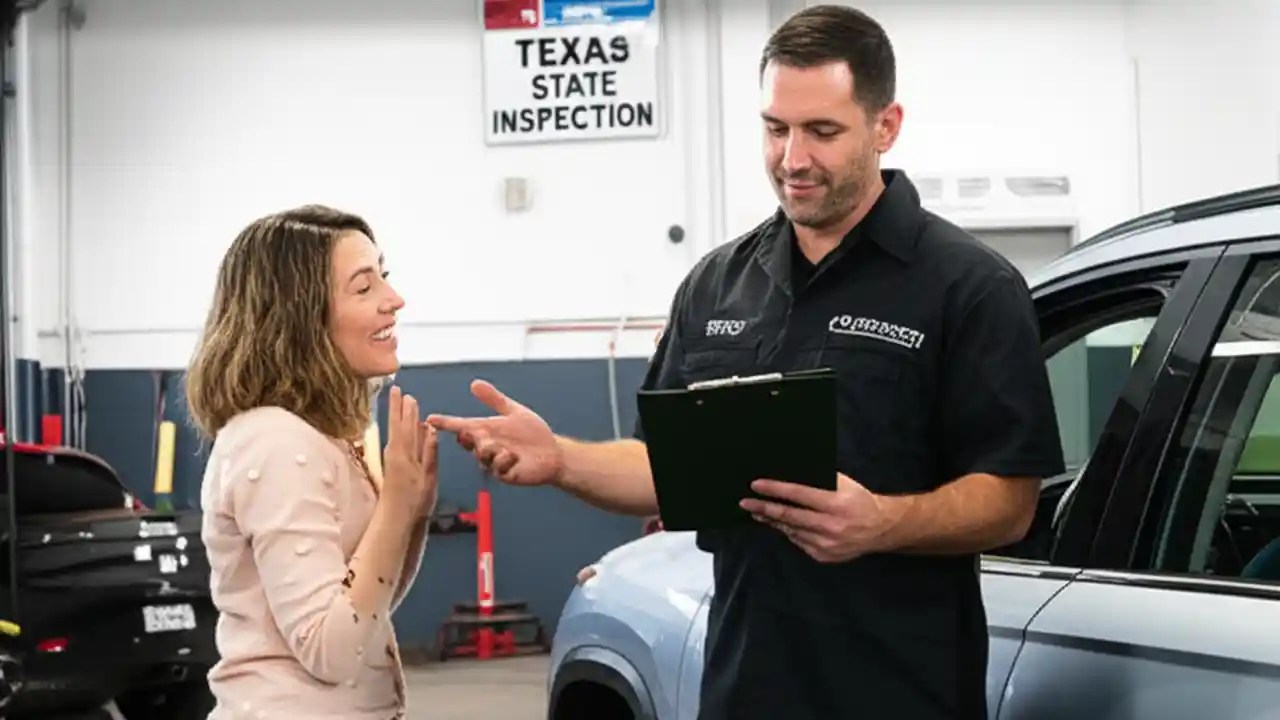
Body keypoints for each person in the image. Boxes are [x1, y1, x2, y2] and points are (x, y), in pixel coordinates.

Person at [428, 5, 1065, 719]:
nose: (792, 159)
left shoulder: (967, 286)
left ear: (886, 126)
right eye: (775, 128)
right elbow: (667, 472)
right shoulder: (717, 283)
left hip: (903, 693)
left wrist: (885, 520)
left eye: (823, 132)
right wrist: (561, 459)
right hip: (743, 690)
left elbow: (1010, 499)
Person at [187, 205, 437, 719]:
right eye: (364, 288)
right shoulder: (274, 442)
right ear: (300, 317)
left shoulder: (319, 437)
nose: (394, 300)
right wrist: (395, 505)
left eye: (383, 278)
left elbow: (369, 609)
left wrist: (413, 511)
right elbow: (331, 649)